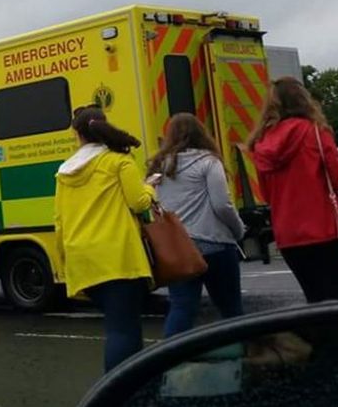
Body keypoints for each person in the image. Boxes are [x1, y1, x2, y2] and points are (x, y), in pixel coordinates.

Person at [54, 105, 155, 372]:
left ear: (77, 135)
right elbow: (138, 202)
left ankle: (127, 389)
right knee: (125, 330)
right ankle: (119, 394)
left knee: (116, 325)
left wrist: (64, 262)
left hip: (82, 257)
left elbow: (60, 222)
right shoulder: (119, 161)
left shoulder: (64, 172)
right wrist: (151, 188)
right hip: (117, 255)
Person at [249, 77, 338, 303]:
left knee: (315, 300)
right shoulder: (315, 132)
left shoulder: (261, 143)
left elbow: (265, 195)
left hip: (288, 234)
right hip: (322, 228)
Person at [148, 113, 245, 337]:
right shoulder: (208, 162)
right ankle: (240, 357)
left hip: (179, 247)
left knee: (182, 308)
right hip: (215, 244)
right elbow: (222, 204)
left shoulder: (159, 166)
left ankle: (170, 361)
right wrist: (238, 230)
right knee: (231, 310)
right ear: (201, 133)